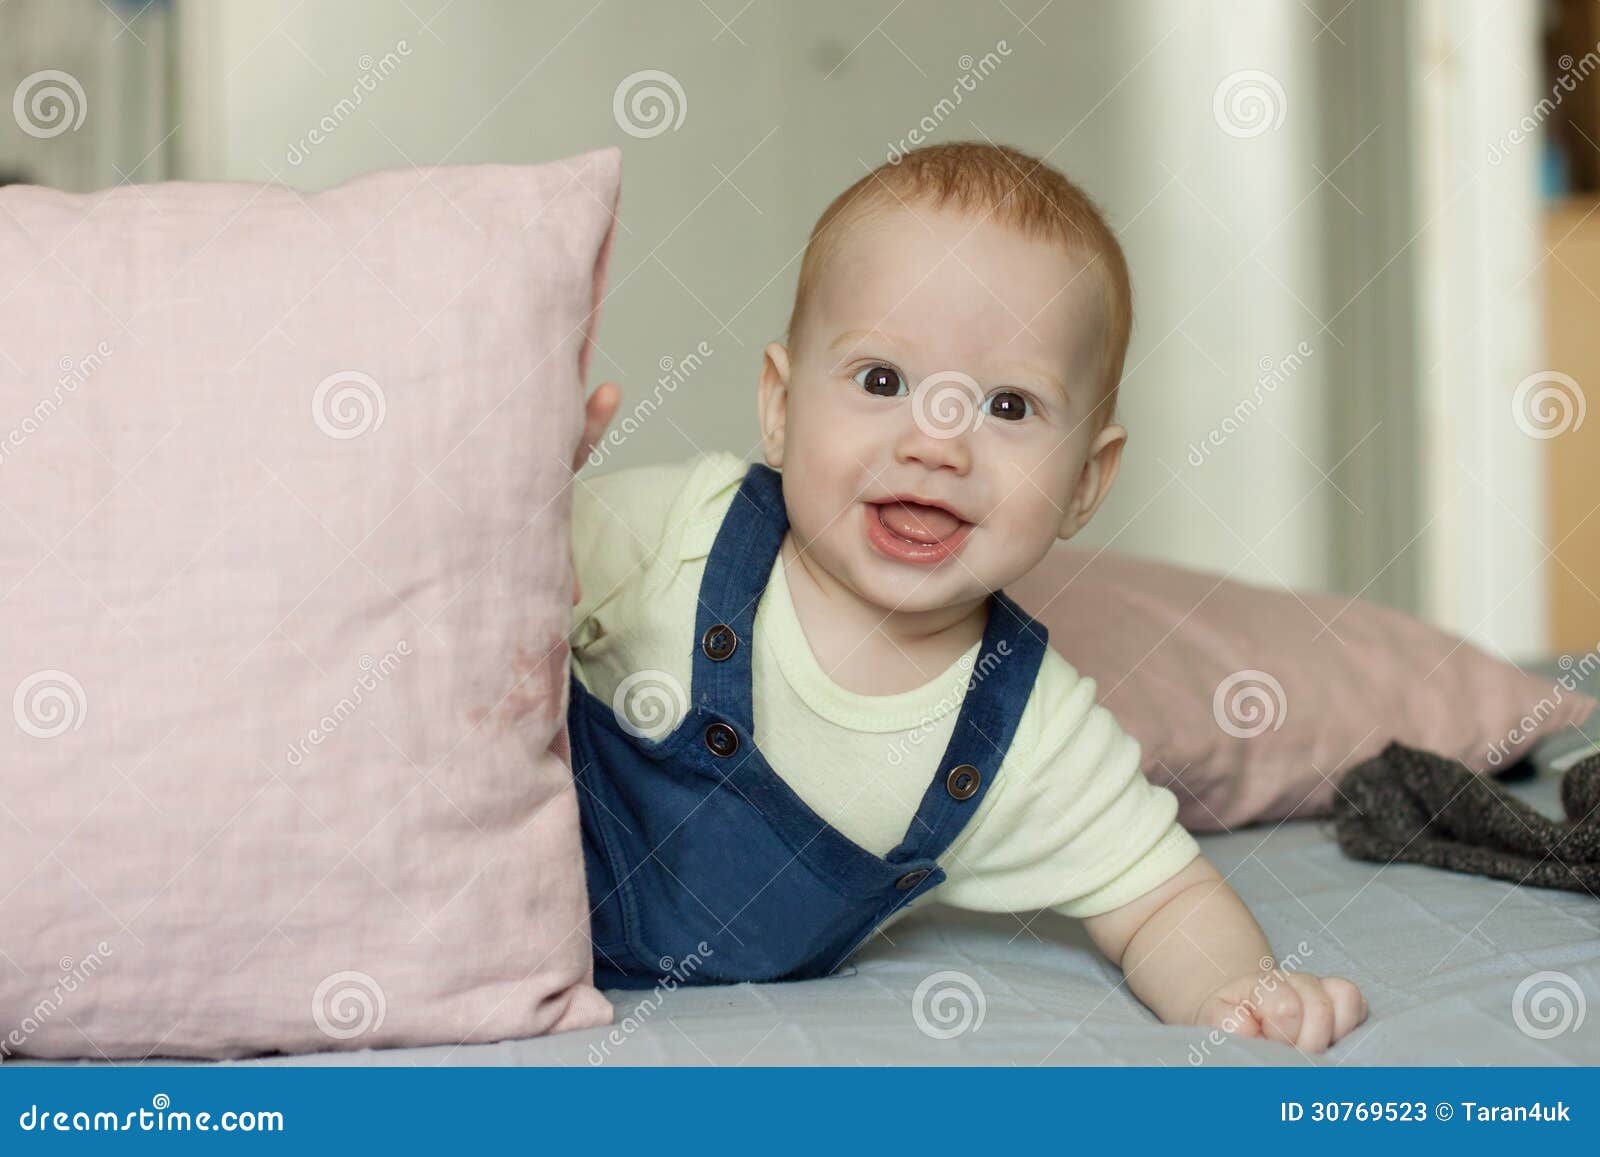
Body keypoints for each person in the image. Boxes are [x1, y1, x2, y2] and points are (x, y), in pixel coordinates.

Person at [565, 141, 1367, 1054]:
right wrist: (528, 503)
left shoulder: (1024, 728)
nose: (937, 443)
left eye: (1009, 406)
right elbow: (470, 595)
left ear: (1086, 482)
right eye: (882, 381)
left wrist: (1239, 986)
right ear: (781, 408)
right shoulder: (677, 530)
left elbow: (1164, 900)